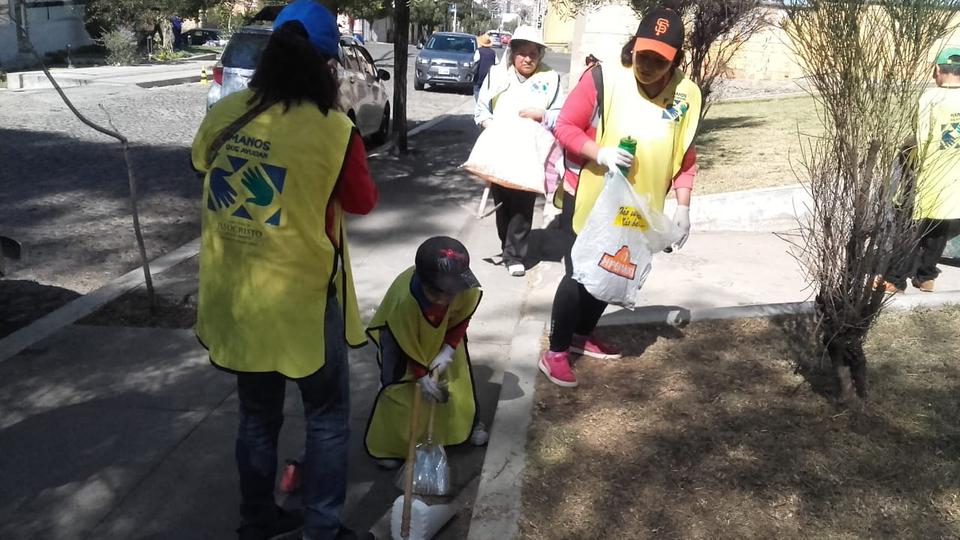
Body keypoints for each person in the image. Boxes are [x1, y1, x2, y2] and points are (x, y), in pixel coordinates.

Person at [190, 1, 377, 539]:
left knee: (256, 417)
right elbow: (362, 201)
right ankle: (321, 528)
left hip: (240, 298)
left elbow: (200, 163)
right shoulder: (335, 131)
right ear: (328, 65)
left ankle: (256, 521)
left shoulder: (224, 114)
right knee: (324, 418)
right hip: (304, 304)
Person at [539, 6, 701, 388]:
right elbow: (565, 126)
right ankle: (557, 351)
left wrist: (683, 207)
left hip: (640, 207)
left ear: (676, 59)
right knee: (581, 273)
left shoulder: (688, 95)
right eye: (643, 54)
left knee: (615, 268)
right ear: (633, 47)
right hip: (595, 198)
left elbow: (687, 157)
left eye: (658, 60)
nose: (647, 65)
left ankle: (582, 336)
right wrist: (600, 153)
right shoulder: (604, 78)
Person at [364, 236, 487, 469]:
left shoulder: (463, 288)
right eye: (437, 293)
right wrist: (420, 374)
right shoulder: (404, 301)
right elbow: (405, 342)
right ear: (423, 283)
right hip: (399, 340)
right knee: (399, 386)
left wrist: (449, 349)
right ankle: (392, 445)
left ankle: (469, 423)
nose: (444, 300)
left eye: (451, 293)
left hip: (443, 334)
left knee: (458, 378)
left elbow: (462, 317)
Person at [475, 25, 565, 277]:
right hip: (501, 152)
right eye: (522, 52)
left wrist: (543, 115)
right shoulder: (496, 76)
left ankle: (515, 255)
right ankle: (507, 245)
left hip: (531, 154)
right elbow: (481, 110)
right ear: (512, 53)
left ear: (540, 55)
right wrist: (491, 126)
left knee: (523, 205)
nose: (528, 58)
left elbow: (560, 115)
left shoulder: (550, 79)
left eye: (533, 53)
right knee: (503, 204)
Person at [879, 47, 960, 294]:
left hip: (930, 177)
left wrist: (910, 168)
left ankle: (895, 279)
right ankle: (926, 277)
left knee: (910, 229)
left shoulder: (930, 99)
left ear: (938, 70)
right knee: (940, 228)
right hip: (955, 179)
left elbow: (921, 139)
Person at [474, 34, 498, 101]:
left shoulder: (479, 51)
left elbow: (475, 61)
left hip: (479, 76)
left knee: (477, 91)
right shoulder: (493, 52)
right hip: (490, 77)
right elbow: (496, 63)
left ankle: (479, 104)